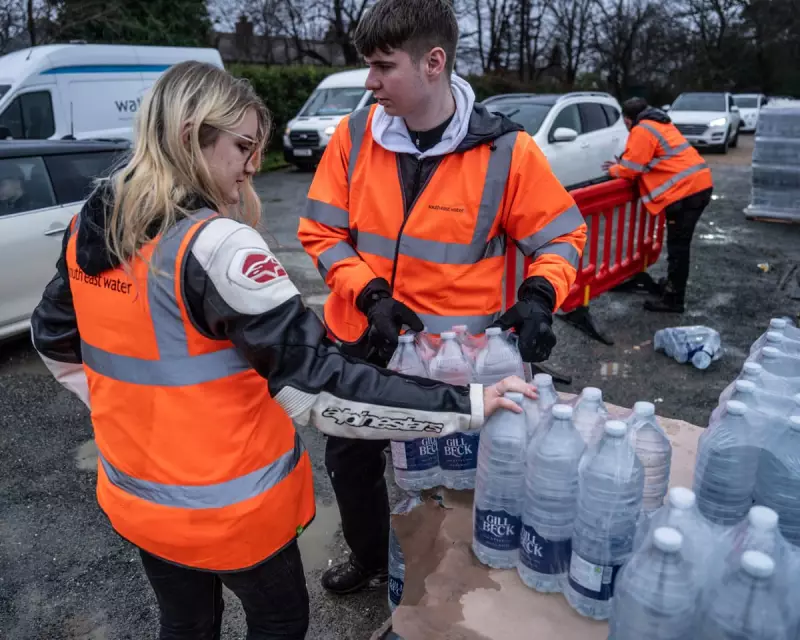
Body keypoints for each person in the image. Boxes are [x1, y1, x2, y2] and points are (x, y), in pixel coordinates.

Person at [29, 61, 536, 640]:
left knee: (186, 624)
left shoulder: (90, 229)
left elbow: (56, 342)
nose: (251, 166)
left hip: (136, 500)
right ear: (193, 134)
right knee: (279, 622)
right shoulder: (215, 245)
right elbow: (317, 384)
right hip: (234, 515)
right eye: (243, 146)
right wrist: (467, 402)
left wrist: (129, 414)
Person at [297, 0, 587, 595]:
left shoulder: (508, 152)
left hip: (454, 360)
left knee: (451, 480)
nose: (370, 82)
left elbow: (562, 236)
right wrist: (369, 293)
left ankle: (449, 583)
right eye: (367, 66)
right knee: (351, 466)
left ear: (434, 62)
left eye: (383, 66)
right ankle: (375, 561)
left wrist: (540, 293)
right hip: (364, 343)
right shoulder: (353, 137)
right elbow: (321, 232)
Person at [603, 97, 714, 313]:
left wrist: (613, 170)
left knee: (678, 247)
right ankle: (672, 285)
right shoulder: (660, 123)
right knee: (679, 245)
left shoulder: (642, 129)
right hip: (697, 186)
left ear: (627, 120)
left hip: (687, 193)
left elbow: (631, 170)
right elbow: (649, 159)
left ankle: (674, 298)